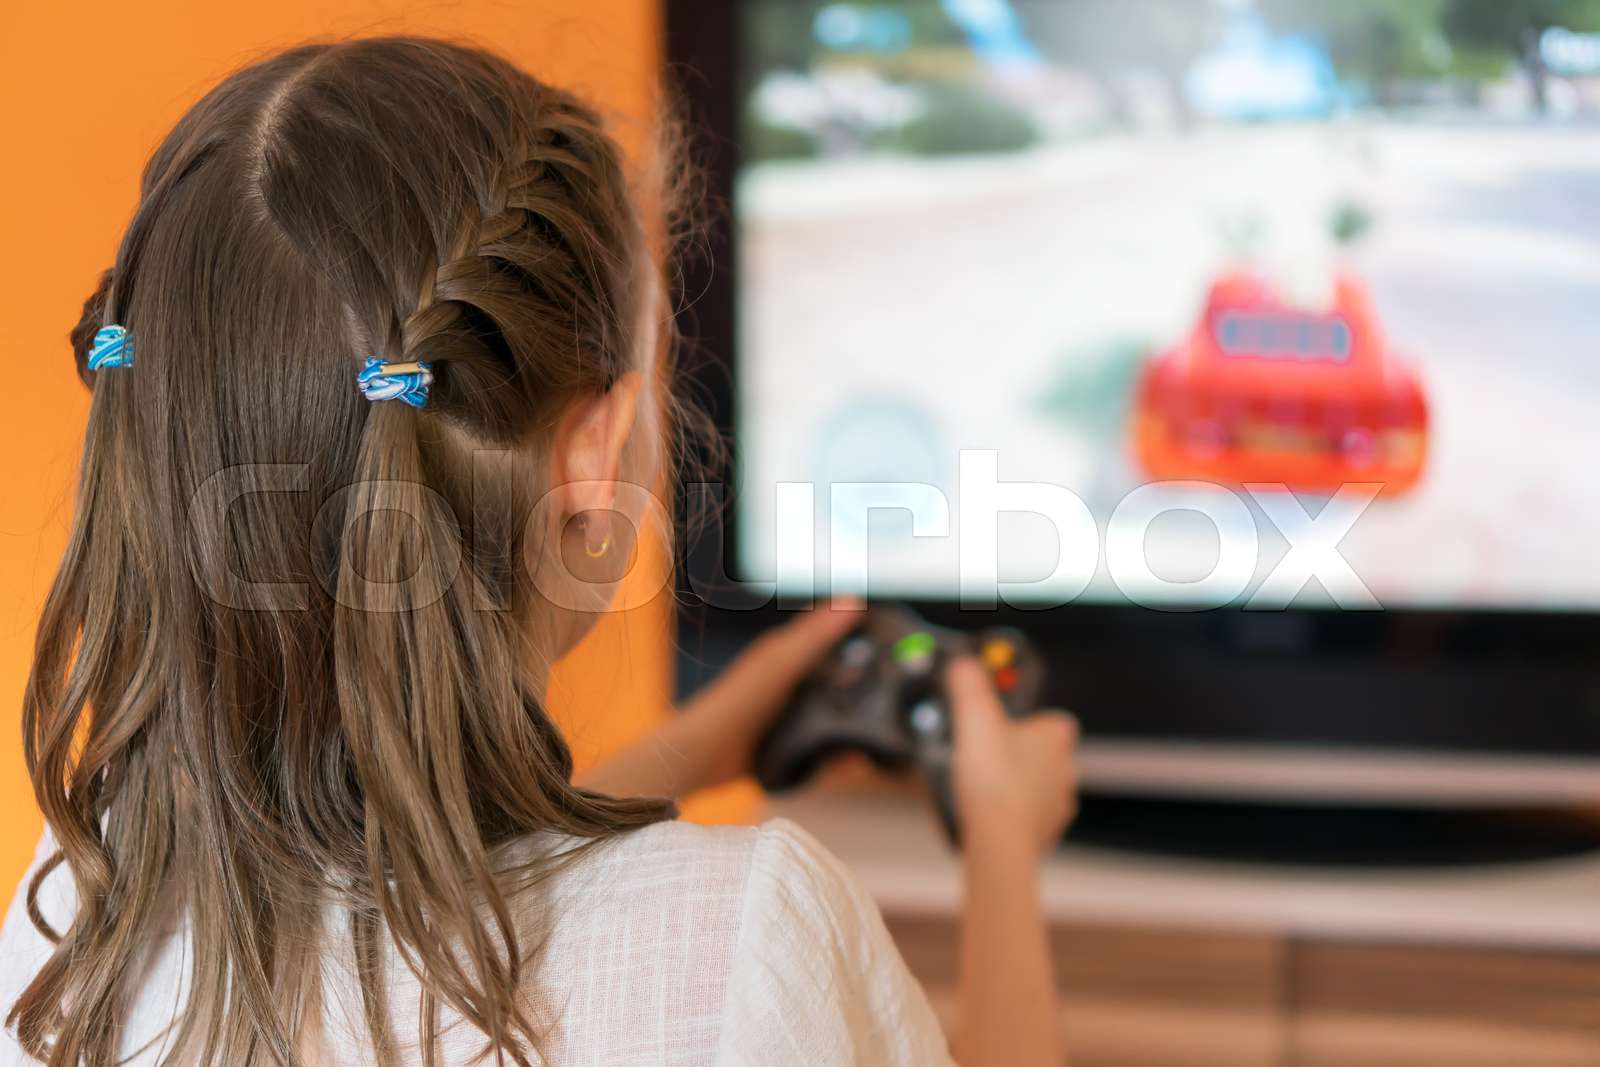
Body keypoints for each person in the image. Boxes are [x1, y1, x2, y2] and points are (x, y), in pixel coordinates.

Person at [0, 37, 1078, 1067]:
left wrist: (695, 746)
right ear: (594, 452)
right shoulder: (753, 925)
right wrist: (1002, 841)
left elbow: (432, 910)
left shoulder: (71, 913)